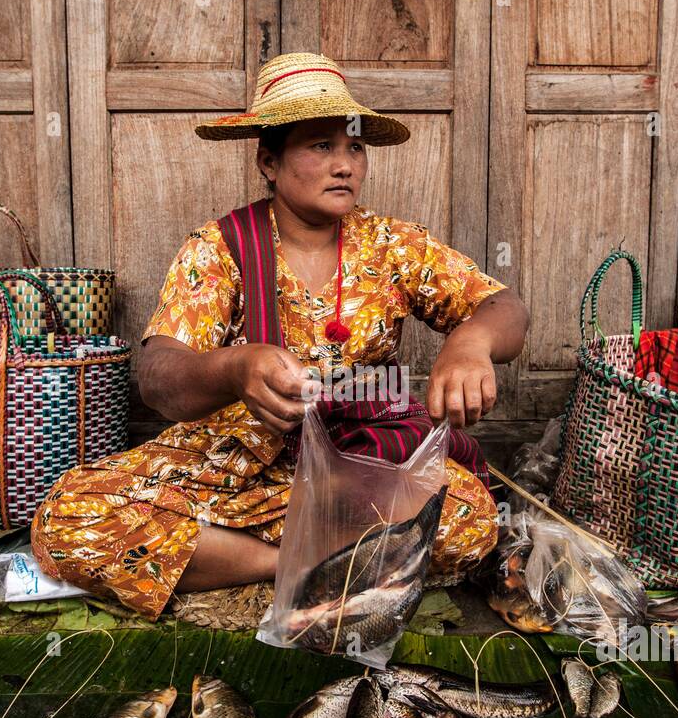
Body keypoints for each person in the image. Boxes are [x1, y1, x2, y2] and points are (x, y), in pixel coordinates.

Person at [31, 53, 529, 621]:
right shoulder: (219, 247)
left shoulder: (395, 246)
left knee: (469, 520)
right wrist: (234, 369)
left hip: (359, 464)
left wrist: (471, 344)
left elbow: (503, 306)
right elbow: (158, 376)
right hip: (236, 461)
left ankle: (249, 551)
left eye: (355, 147)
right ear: (269, 160)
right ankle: (294, 562)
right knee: (67, 521)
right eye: (321, 146)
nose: (345, 165)